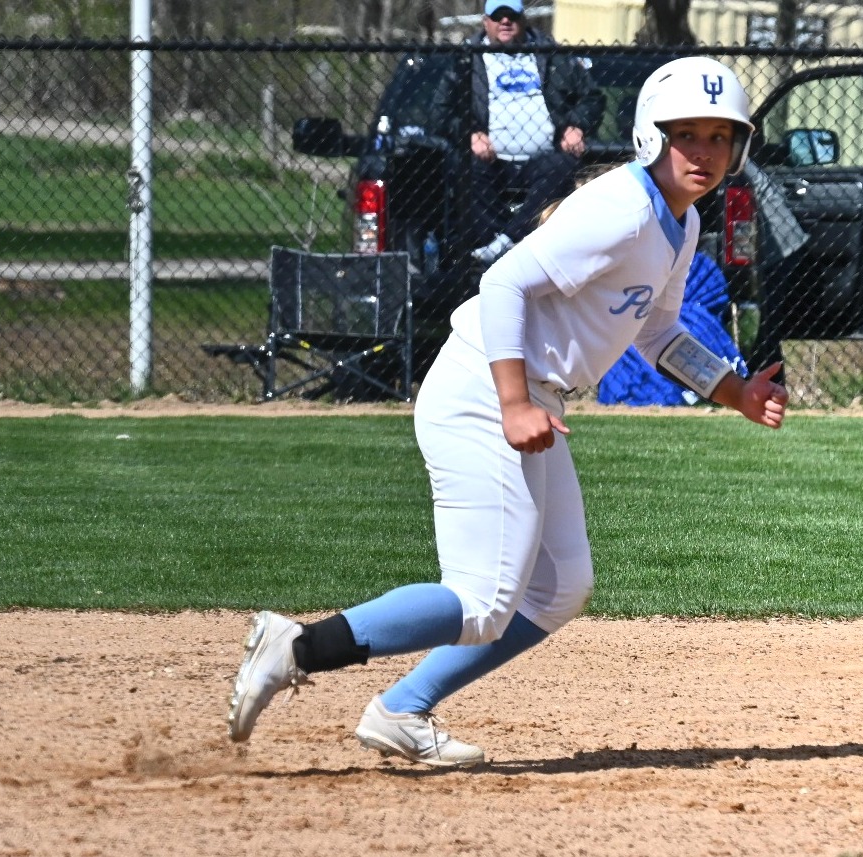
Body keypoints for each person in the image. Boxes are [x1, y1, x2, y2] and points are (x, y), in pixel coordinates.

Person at [226, 56, 788, 768]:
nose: (703, 151)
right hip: (484, 388)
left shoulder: (679, 223)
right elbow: (503, 282)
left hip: (531, 399)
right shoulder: (621, 205)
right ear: (652, 135)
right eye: (688, 134)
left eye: (718, 136)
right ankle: (298, 644)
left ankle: (402, 709)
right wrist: (514, 399)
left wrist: (734, 390)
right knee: (483, 599)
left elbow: (659, 333)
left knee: (559, 587)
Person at [433, 0, 604, 264]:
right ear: (485, 22)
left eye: (511, 16)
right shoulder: (467, 60)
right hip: (490, 160)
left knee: (564, 165)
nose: (505, 22)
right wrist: (470, 134)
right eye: (498, 16)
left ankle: (505, 244)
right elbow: (441, 111)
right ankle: (509, 244)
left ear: (523, 20)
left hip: (544, 157)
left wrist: (576, 126)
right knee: (464, 164)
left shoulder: (551, 54)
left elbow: (592, 97)